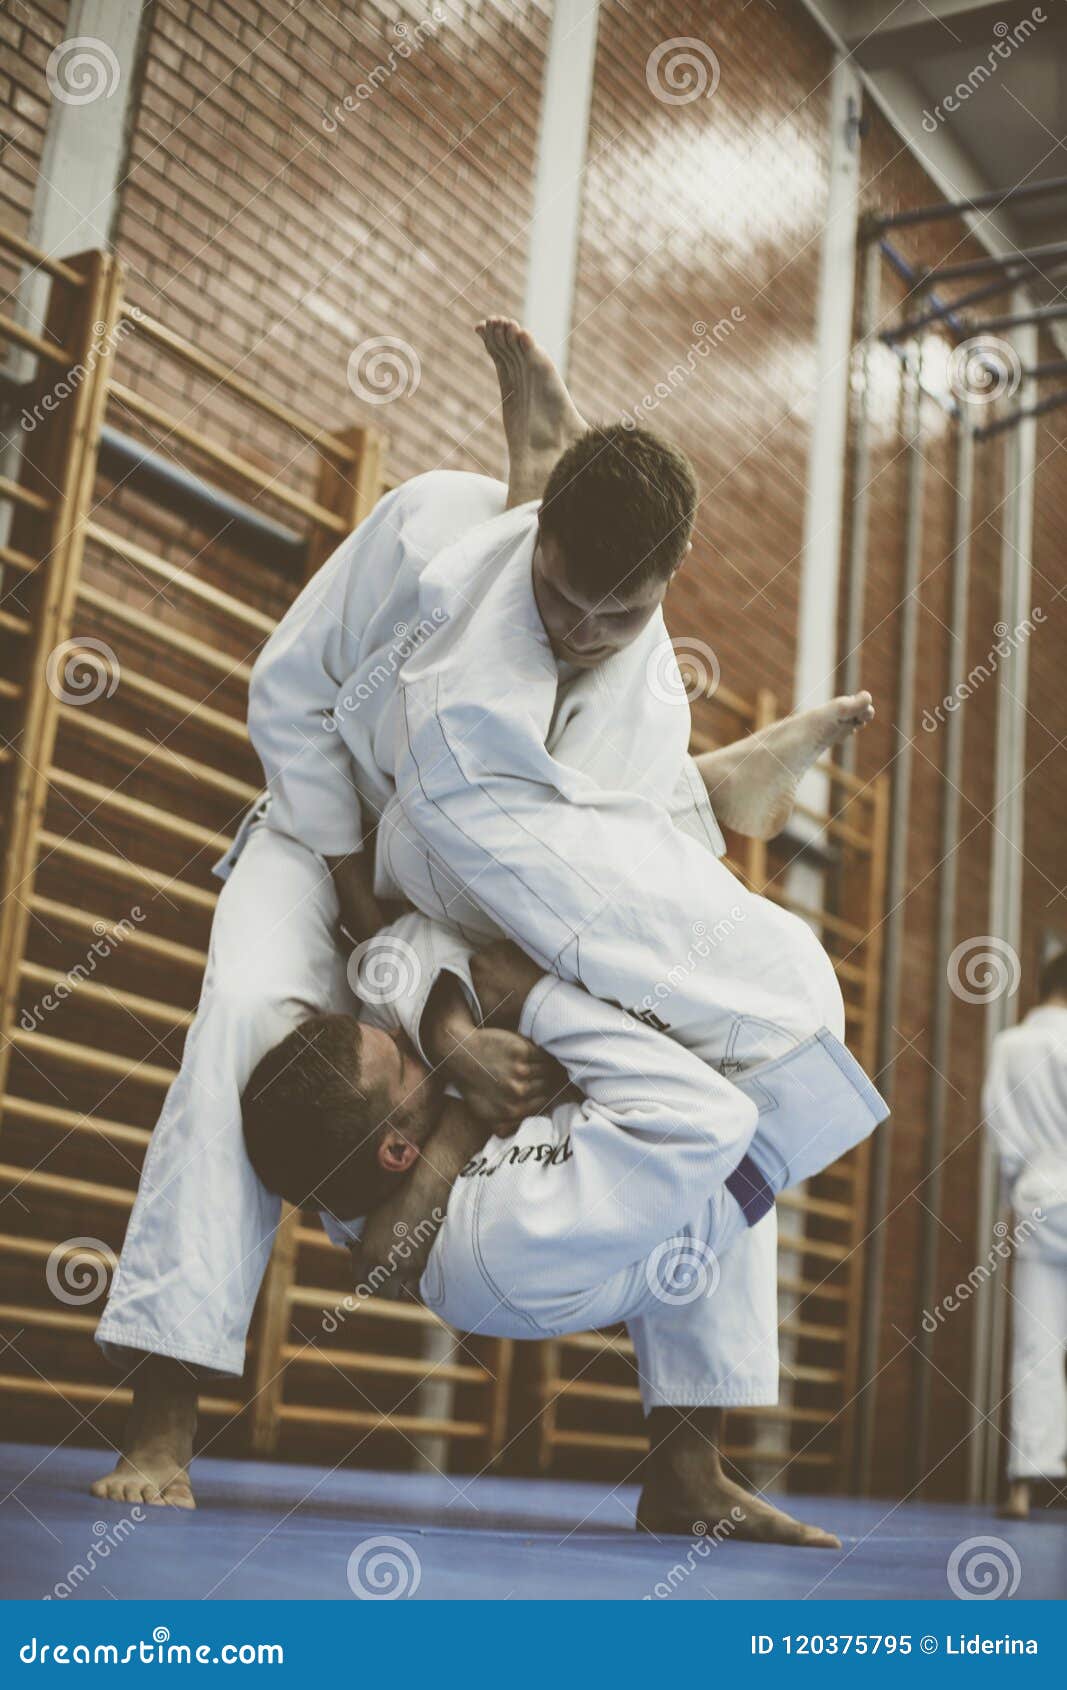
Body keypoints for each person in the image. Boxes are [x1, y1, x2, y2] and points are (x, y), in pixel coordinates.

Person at [92, 318, 872, 1526]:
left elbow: (595, 867)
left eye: (616, 618)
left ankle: (685, 1462)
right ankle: (164, 1406)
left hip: (480, 895)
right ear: (534, 536)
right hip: (331, 829)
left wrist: (474, 1005)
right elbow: (290, 693)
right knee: (243, 1014)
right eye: (558, 595)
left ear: (663, 591)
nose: (580, 631)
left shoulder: (641, 671)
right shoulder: (423, 529)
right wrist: (359, 905)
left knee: (712, 1058)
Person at [243, 925, 886, 1546]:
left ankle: (686, 1476)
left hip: (601, 1176)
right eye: (406, 1060)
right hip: (727, 1153)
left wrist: (449, 1038)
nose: (403, 1040)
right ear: (396, 1151)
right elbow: (713, 1119)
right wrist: (533, 1002)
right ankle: (687, 1475)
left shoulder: (348, 1164)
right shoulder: (505, 1226)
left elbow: (411, 933)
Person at [983, 950, 1067, 1520]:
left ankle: (1025, 1483)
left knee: (1037, 1344)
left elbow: (1000, 1129)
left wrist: (1025, 1177)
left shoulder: (1011, 1044)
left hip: (1039, 1195)